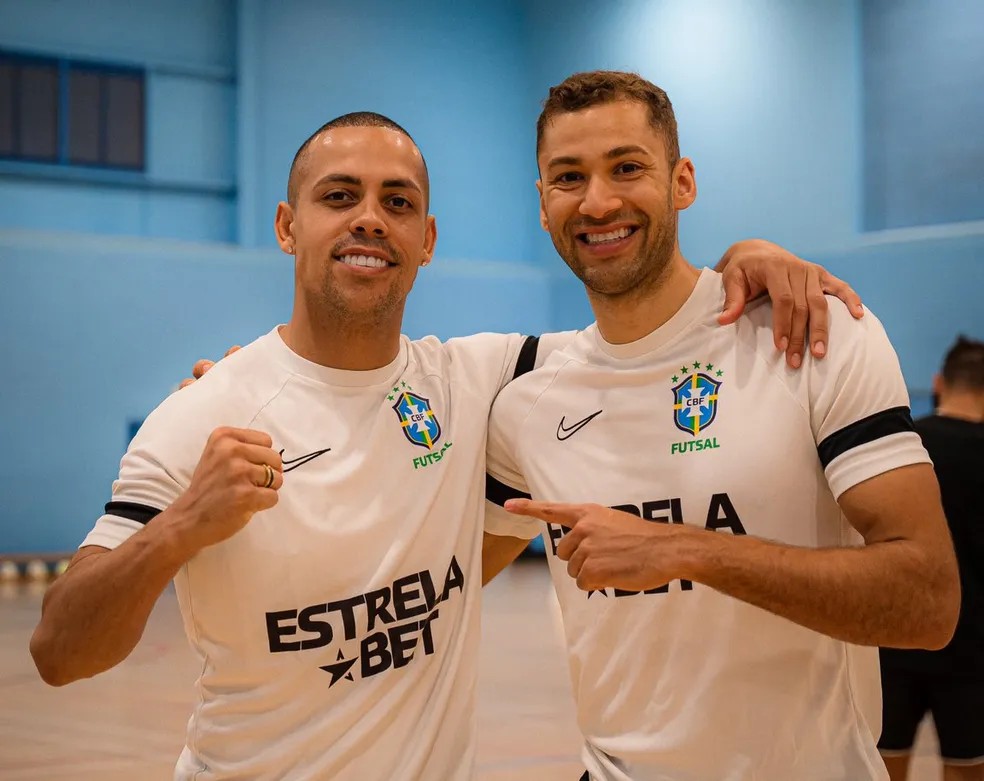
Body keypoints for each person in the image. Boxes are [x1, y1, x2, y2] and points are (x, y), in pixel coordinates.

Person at [30, 109, 859, 781]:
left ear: (427, 238)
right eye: (338, 196)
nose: (369, 218)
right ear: (288, 226)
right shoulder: (204, 416)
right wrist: (180, 525)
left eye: (397, 201)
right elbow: (60, 651)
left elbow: (652, 327)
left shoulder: (484, 380)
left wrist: (748, 259)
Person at [483, 71, 960, 781]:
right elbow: (439, 586)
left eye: (627, 167)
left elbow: (928, 600)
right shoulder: (529, 398)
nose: (599, 200)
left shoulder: (811, 335)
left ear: (683, 181)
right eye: (568, 177)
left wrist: (686, 549)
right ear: (543, 204)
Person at [878, 335, 984, 781]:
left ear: (939, 382)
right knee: (966, 771)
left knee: (881, 768)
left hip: (892, 643)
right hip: (974, 653)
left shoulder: (901, 447)